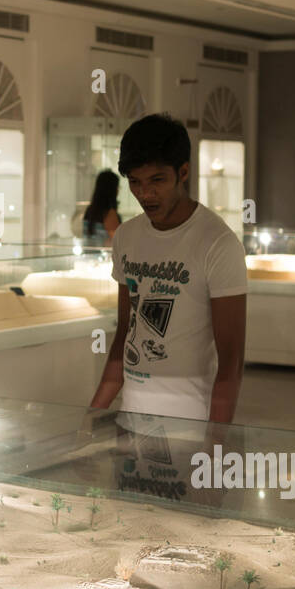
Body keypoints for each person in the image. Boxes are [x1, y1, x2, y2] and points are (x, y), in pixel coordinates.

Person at [89, 113, 247, 423]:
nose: (145, 194)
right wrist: (91, 417)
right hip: (131, 420)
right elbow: (125, 333)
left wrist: (214, 443)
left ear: (183, 172)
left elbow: (231, 360)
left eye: (157, 180)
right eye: (135, 182)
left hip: (190, 422)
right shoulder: (126, 236)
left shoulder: (218, 243)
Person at [83, 169, 122, 243]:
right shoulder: (110, 214)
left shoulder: (90, 210)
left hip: (88, 253)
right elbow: (117, 243)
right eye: (117, 187)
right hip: (105, 253)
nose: (118, 190)